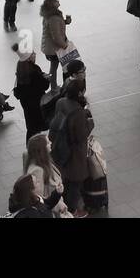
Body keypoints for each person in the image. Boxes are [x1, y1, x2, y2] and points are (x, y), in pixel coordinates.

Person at [48, 78, 92, 216]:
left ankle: (66, 204)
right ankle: (72, 210)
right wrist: (89, 121)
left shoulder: (61, 102)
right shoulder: (78, 112)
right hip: (74, 154)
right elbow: (81, 135)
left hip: (60, 148)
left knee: (65, 179)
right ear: (81, 92)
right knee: (75, 183)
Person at [12, 46, 50, 141]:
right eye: (33, 53)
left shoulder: (20, 67)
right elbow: (43, 86)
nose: (35, 55)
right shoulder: (34, 69)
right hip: (37, 101)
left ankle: (31, 145)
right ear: (29, 57)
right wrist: (46, 78)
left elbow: (18, 89)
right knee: (38, 124)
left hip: (26, 102)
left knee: (31, 126)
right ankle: (36, 146)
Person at [39, 0, 72, 90]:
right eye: (56, 1)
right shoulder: (53, 18)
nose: (58, 1)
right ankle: (55, 86)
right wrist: (65, 46)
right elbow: (56, 37)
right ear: (52, 4)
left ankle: (54, 86)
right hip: (54, 49)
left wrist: (65, 22)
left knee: (54, 67)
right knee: (57, 67)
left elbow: (56, 26)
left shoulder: (51, 15)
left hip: (51, 48)